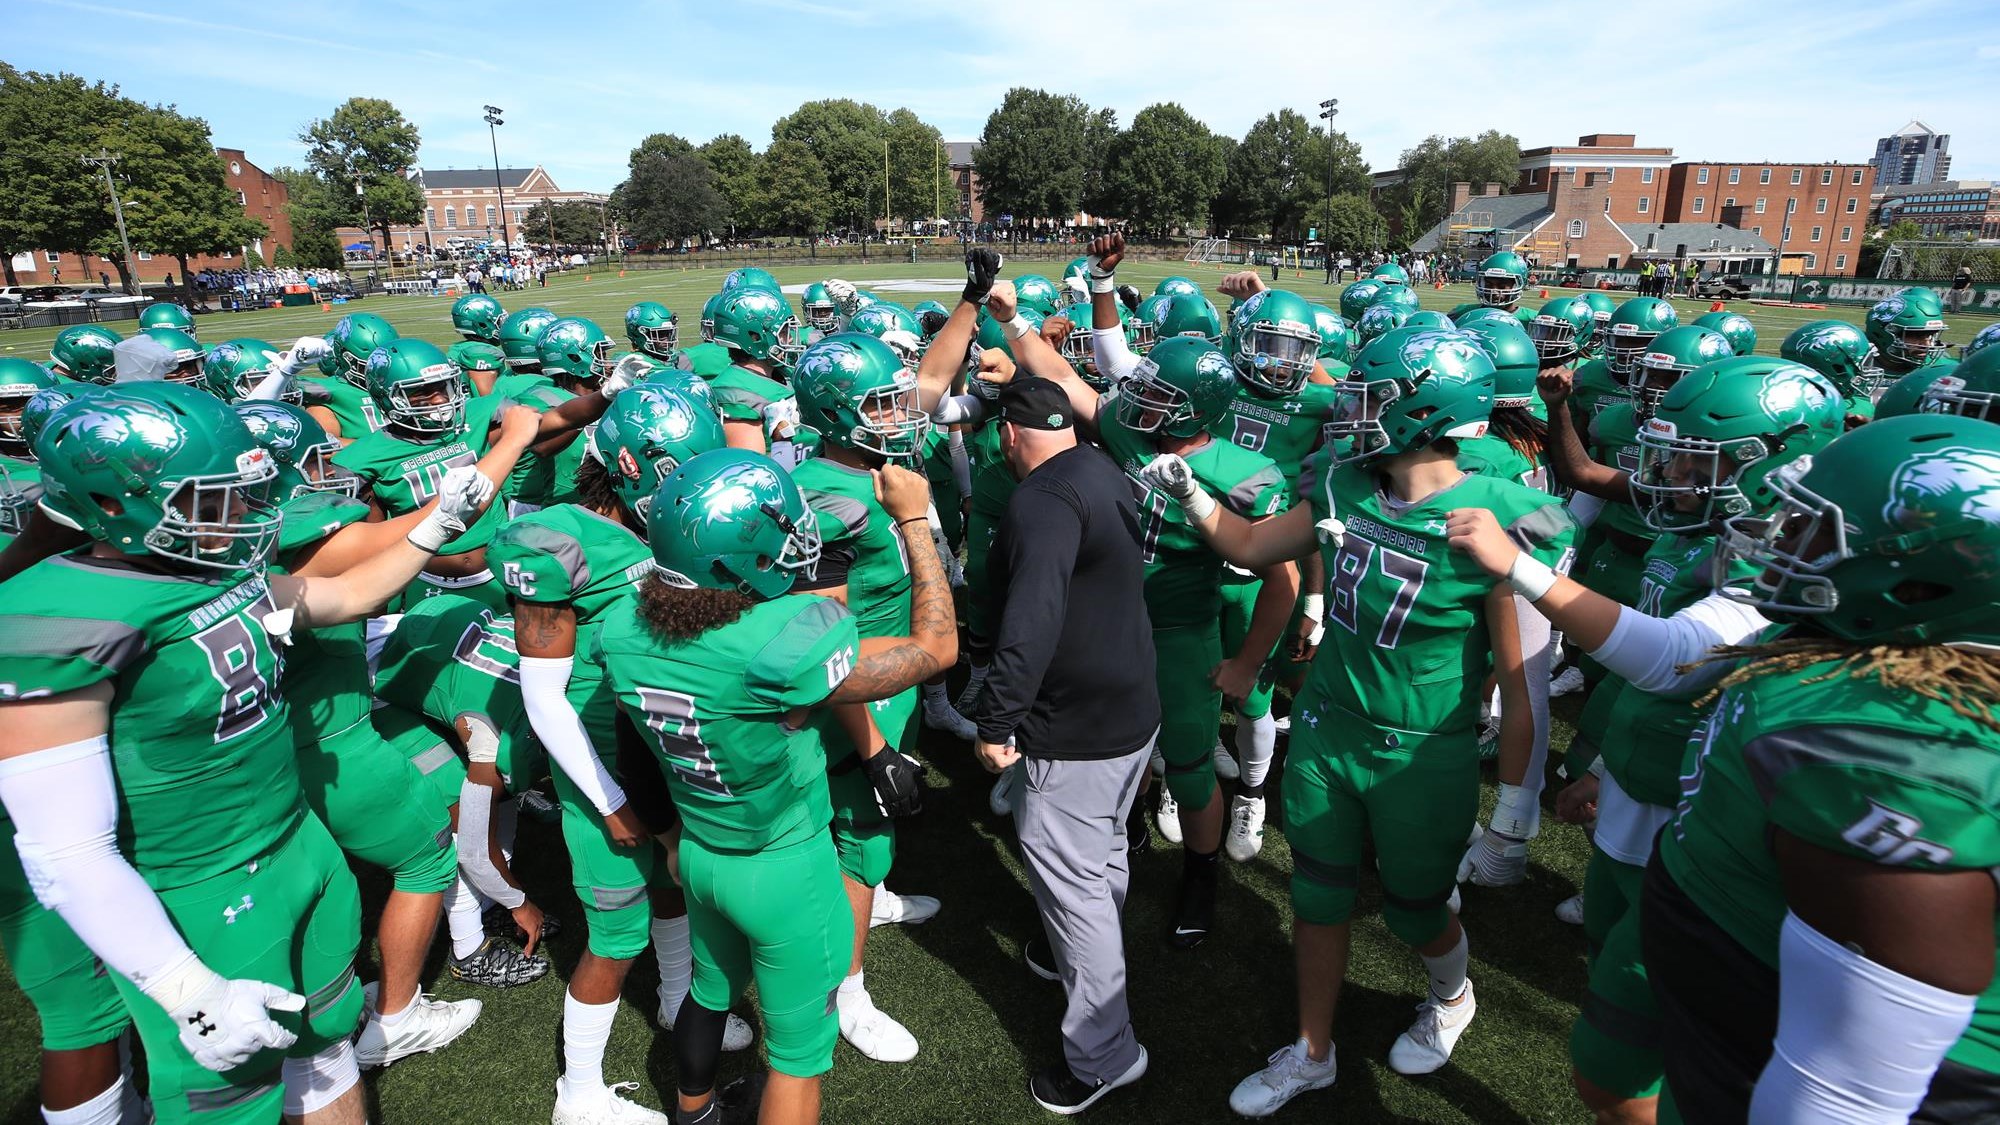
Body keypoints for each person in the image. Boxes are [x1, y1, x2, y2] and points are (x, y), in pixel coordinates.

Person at [0, 378, 499, 1124]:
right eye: (214, 498)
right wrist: (185, 989)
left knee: (322, 1048)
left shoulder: (210, 568)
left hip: (293, 843)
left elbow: (344, 595)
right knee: (230, 1097)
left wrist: (429, 531)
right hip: (199, 887)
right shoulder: (51, 618)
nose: (244, 514)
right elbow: (66, 850)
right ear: (113, 504)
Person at [1146, 327, 1574, 1117]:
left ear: (1422, 410)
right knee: (1316, 894)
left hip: (1423, 749)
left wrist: (1515, 803)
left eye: (1370, 396)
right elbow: (1245, 540)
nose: (1349, 408)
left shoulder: (1499, 512)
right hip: (1327, 729)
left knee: (1415, 907)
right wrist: (1191, 492)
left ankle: (1452, 995)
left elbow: (1519, 680)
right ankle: (1312, 1050)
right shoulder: (1346, 485)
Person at [599, 448, 952, 1125]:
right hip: (785, 867)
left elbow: (632, 749)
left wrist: (669, 839)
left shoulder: (624, 623)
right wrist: (916, 520)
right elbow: (936, 646)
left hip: (702, 851)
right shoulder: (781, 639)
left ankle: (694, 1115)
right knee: (796, 1055)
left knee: (707, 992)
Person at [973, 376, 1158, 1115]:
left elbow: (1031, 620)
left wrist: (995, 721)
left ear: (1009, 435)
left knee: (1072, 879)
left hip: (1076, 726)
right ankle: (1072, 951)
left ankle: (1106, 1054)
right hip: (1129, 710)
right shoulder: (1100, 464)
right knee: (1102, 853)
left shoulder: (1041, 497)